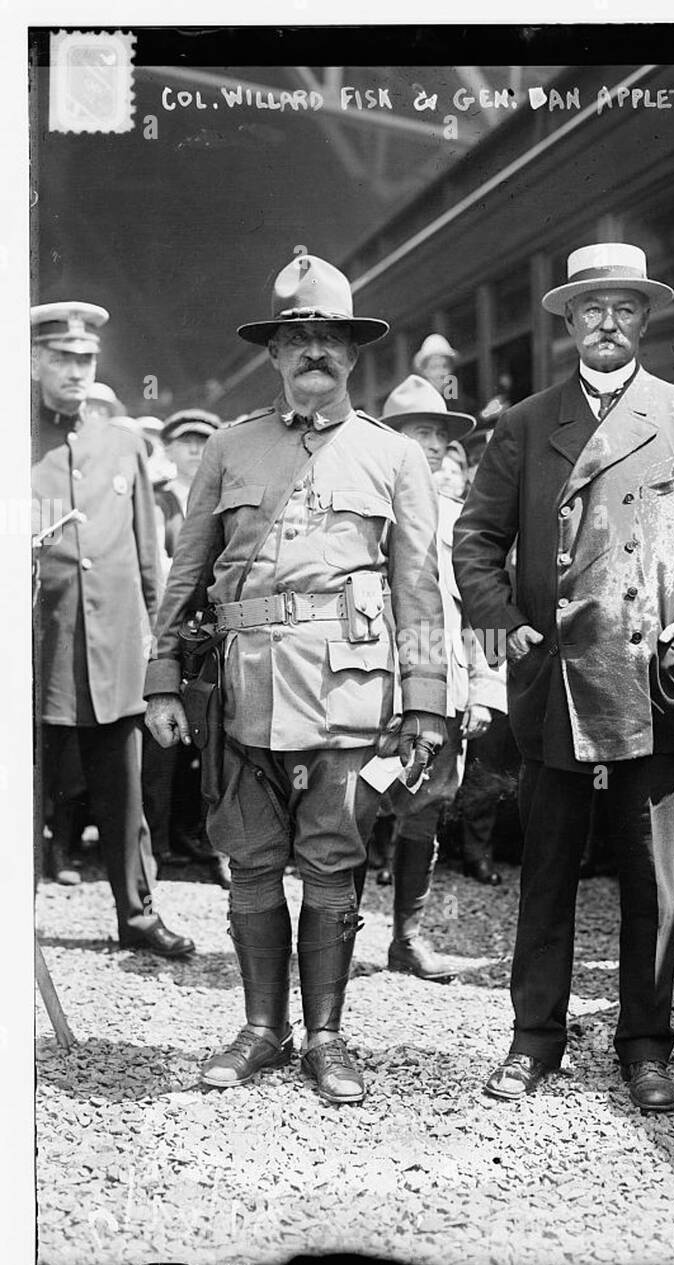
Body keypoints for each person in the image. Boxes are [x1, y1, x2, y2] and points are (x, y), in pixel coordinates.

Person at [453, 243, 674, 1111]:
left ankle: (645, 1046)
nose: (606, 322)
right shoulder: (524, 424)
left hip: (651, 676)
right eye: (590, 308)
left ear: (643, 318)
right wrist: (505, 619)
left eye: (622, 308)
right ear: (566, 320)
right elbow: (475, 538)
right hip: (553, 675)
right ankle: (533, 1042)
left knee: (650, 880)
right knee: (546, 871)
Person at [144, 253, 447, 1103]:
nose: (314, 351)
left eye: (329, 338)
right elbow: (186, 573)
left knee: (329, 860)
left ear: (352, 354)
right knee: (248, 862)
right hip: (243, 695)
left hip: (349, 695)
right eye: (296, 337)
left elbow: (420, 585)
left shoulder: (392, 457)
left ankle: (326, 1037)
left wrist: (424, 703)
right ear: (274, 354)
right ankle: (260, 1030)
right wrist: (164, 677)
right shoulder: (233, 447)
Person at [31, 301, 194, 958]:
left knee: (125, 794)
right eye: (62, 358)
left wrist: (160, 653)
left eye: (86, 359)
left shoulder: (122, 443)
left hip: (115, 647)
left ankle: (139, 914)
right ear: (32, 360)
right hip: (37, 648)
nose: (76, 371)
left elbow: (149, 559)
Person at [367, 375, 506, 980]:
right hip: (371, 689)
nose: (429, 445)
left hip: (443, 687)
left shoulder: (459, 519)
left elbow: (481, 608)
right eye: (415, 431)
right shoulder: (367, 512)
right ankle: (334, 939)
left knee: (427, 807)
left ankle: (408, 938)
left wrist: (483, 687)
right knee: (354, 809)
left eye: (438, 434)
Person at [141, 408, 230, 886]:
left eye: (205, 440)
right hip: (172, 628)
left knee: (209, 739)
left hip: (212, 632)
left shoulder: (222, 499)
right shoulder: (159, 501)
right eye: (187, 440)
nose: (197, 449)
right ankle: (158, 845)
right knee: (165, 739)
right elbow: (159, 568)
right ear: (169, 447)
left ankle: (202, 839)